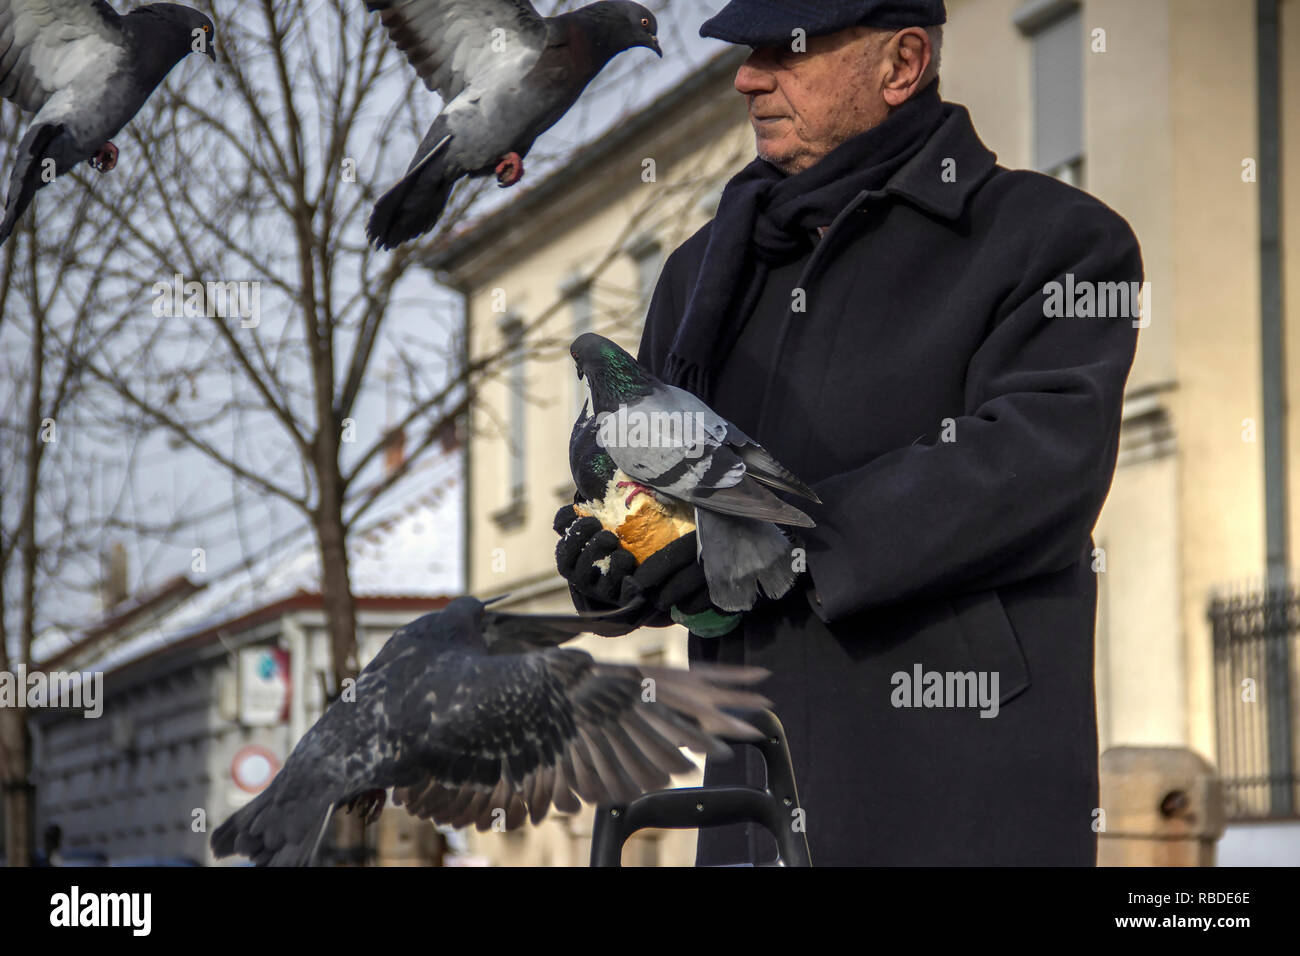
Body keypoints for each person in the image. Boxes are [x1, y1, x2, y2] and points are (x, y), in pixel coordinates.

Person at [555, 0, 1142, 865]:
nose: (747, 77)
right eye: (746, 54)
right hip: (752, 805)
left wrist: (787, 541)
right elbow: (669, 493)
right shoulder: (699, 274)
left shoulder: (1052, 241)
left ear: (901, 64)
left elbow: (1035, 464)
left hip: (956, 799)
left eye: (782, 53)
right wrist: (625, 555)